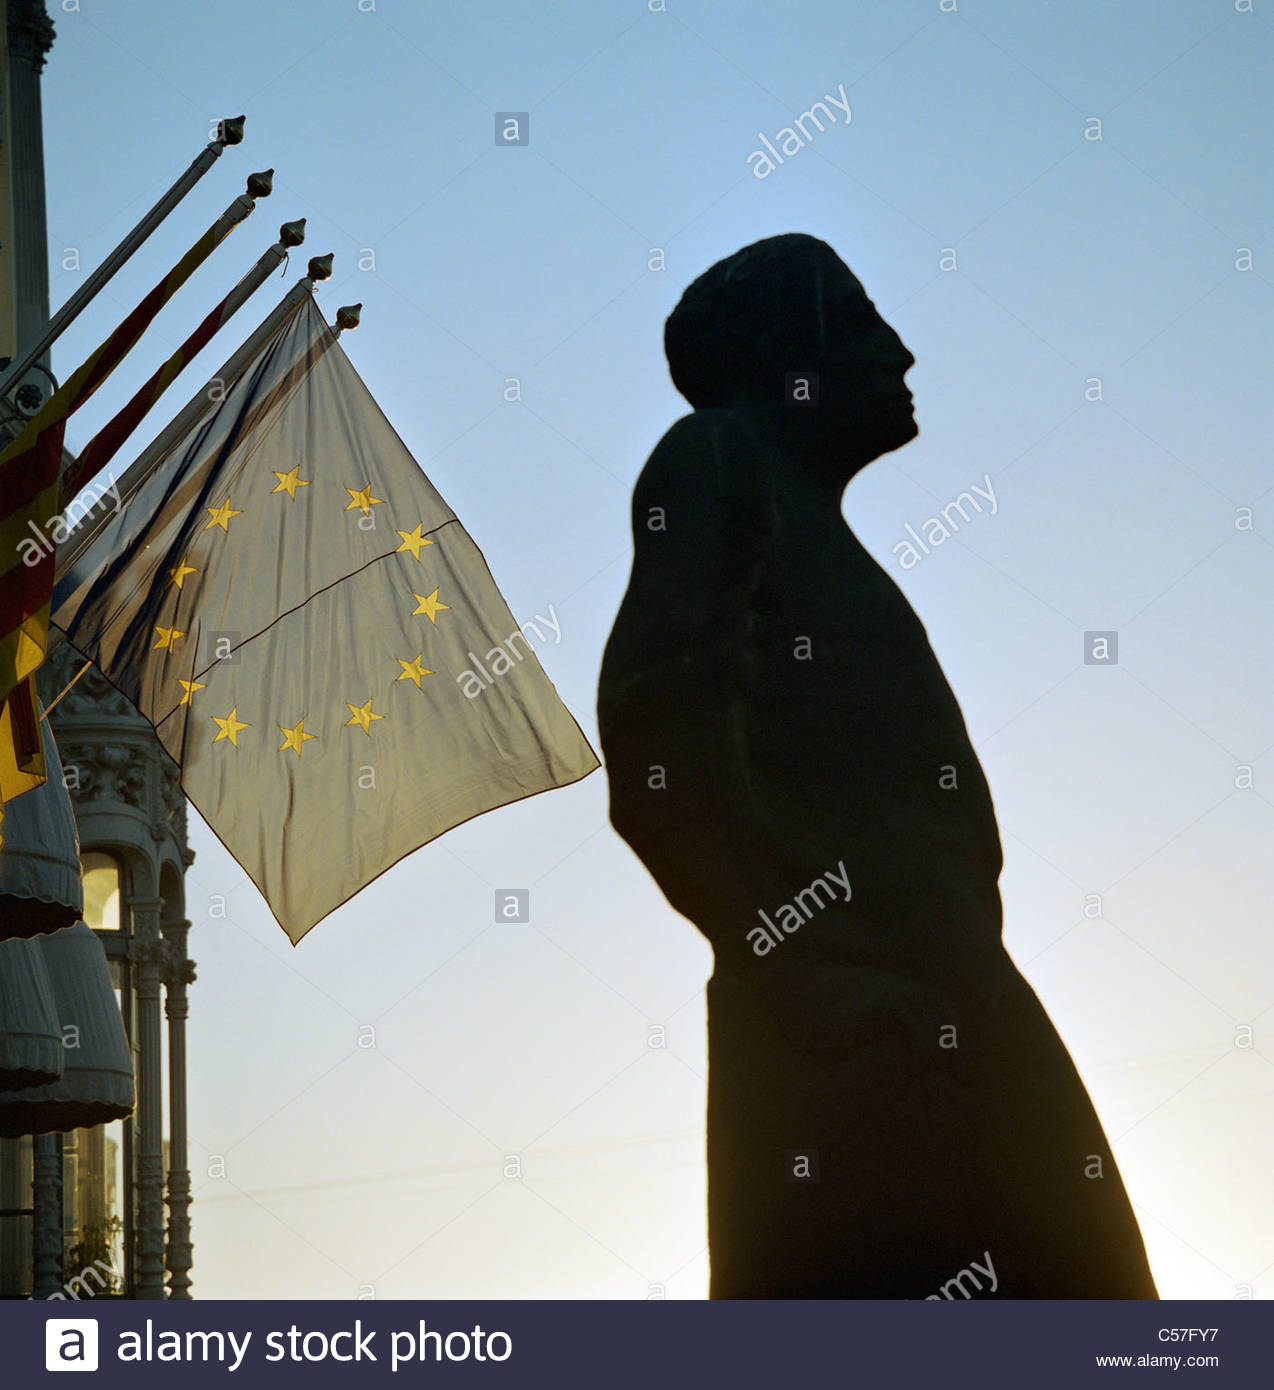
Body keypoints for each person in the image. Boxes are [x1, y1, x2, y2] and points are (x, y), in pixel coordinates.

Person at [598, 233, 1158, 1299]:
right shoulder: (716, 458)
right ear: (781, 356)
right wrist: (812, 973)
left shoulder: (820, 532)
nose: (898, 352)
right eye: (858, 323)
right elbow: (654, 733)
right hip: (860, 1024)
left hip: (954, 1008)